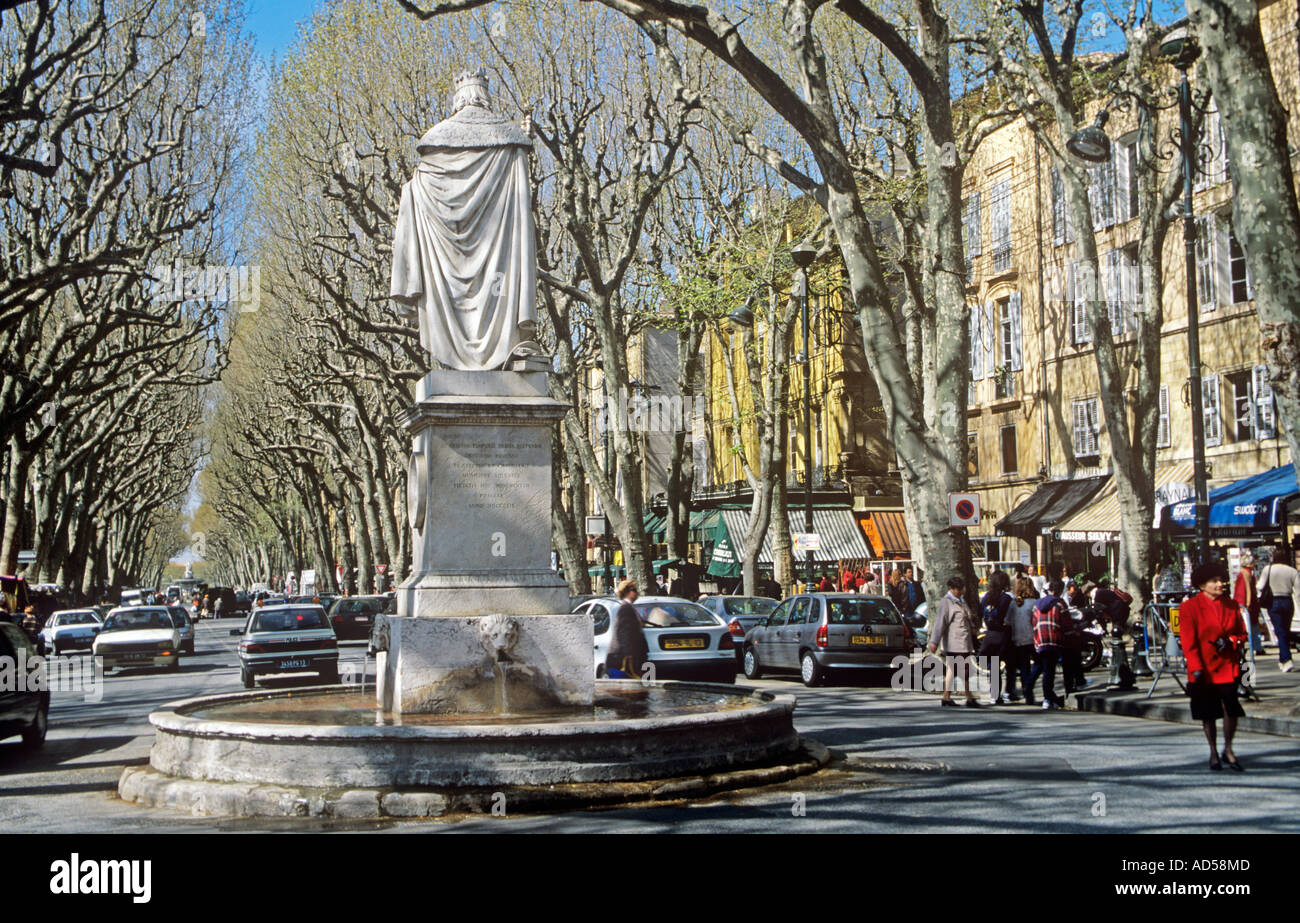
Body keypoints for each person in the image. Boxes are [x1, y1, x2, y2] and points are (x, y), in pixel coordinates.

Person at [1181, 562, 1248, 771]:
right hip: (1204, 668)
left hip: (1227, 665)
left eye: (1221, 580)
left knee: (1231, 708)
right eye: (1215, 581)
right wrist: (1195, 667)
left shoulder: (1231, 605)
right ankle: (1213, 751)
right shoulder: (1189, 607)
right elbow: (1188, 642)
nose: (1220, 584)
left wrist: (1232, 640)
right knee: (1208, 712)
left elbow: (1242, 633)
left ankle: (1228, 749)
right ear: (1202, 585)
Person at [928, 575, 980, 707]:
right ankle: (968, 696)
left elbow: (967, 618)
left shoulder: (960, 600)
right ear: (951, 589)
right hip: (955, 642)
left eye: (961, 589)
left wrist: (973, 628)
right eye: (958, 589)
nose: (960, 591)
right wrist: (934, 641)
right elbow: (940, 623)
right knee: (964, 668)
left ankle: (947, 696)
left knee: (953, 669)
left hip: (963, 641)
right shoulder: (946, 602)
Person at [1256, 549, 1299, 672]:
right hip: (1287, 601)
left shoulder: (1268, 569)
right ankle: (1283, 658)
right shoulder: (1292, 571)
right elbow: (1298, 591)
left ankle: (1286, 660)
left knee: (1280, 631)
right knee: (1285, 630)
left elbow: (1260, 586)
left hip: (1273, 601)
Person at [1028, 580, 1067, 709]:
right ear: (1060, 591)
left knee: (1039, 666)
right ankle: (1047, 698)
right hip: (1053, 639)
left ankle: (1028, 687)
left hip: (1039, 639)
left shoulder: (1037, 604)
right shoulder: (1060, 604)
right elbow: (1066, 622)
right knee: (1049, 670)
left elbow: (1032, 621)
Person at [978, 571, 1015, 705]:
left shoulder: (986, 597)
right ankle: (1009, 692)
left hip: (990, 634)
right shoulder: (1006, 598)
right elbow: (1011, 616)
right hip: (1005, 633)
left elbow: (980, 612)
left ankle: (994, 694)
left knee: (993, 665)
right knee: (1011, 664)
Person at [606, 579, 649, 679]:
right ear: (628, 592)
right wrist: (628, 654)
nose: (637, 593)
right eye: (634, 590)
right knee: (626, 690)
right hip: (623, 659)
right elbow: (624, 632)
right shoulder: (626, 608)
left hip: (626, 657)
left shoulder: (628, 607)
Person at [1009, 576, 1039, 703]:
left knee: (1024, 666)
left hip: (1017, 638)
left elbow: (1007, 620)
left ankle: (1028, 694)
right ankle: (1029, 684)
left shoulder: (1013, 603)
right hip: (1032, 638)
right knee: (1040, 663)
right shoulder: (1034, 603)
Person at [1233, 551, 1267, 652]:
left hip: (1250, 604)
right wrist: (1243, 604)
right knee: (1250, 626)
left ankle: (1256, 646)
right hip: (1249, 605)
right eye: (1253, 562)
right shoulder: (1245, 574)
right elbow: (1242, 590)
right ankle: (1255, 646)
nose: (1255, 564)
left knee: (1251, 626)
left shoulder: (1245, 573)